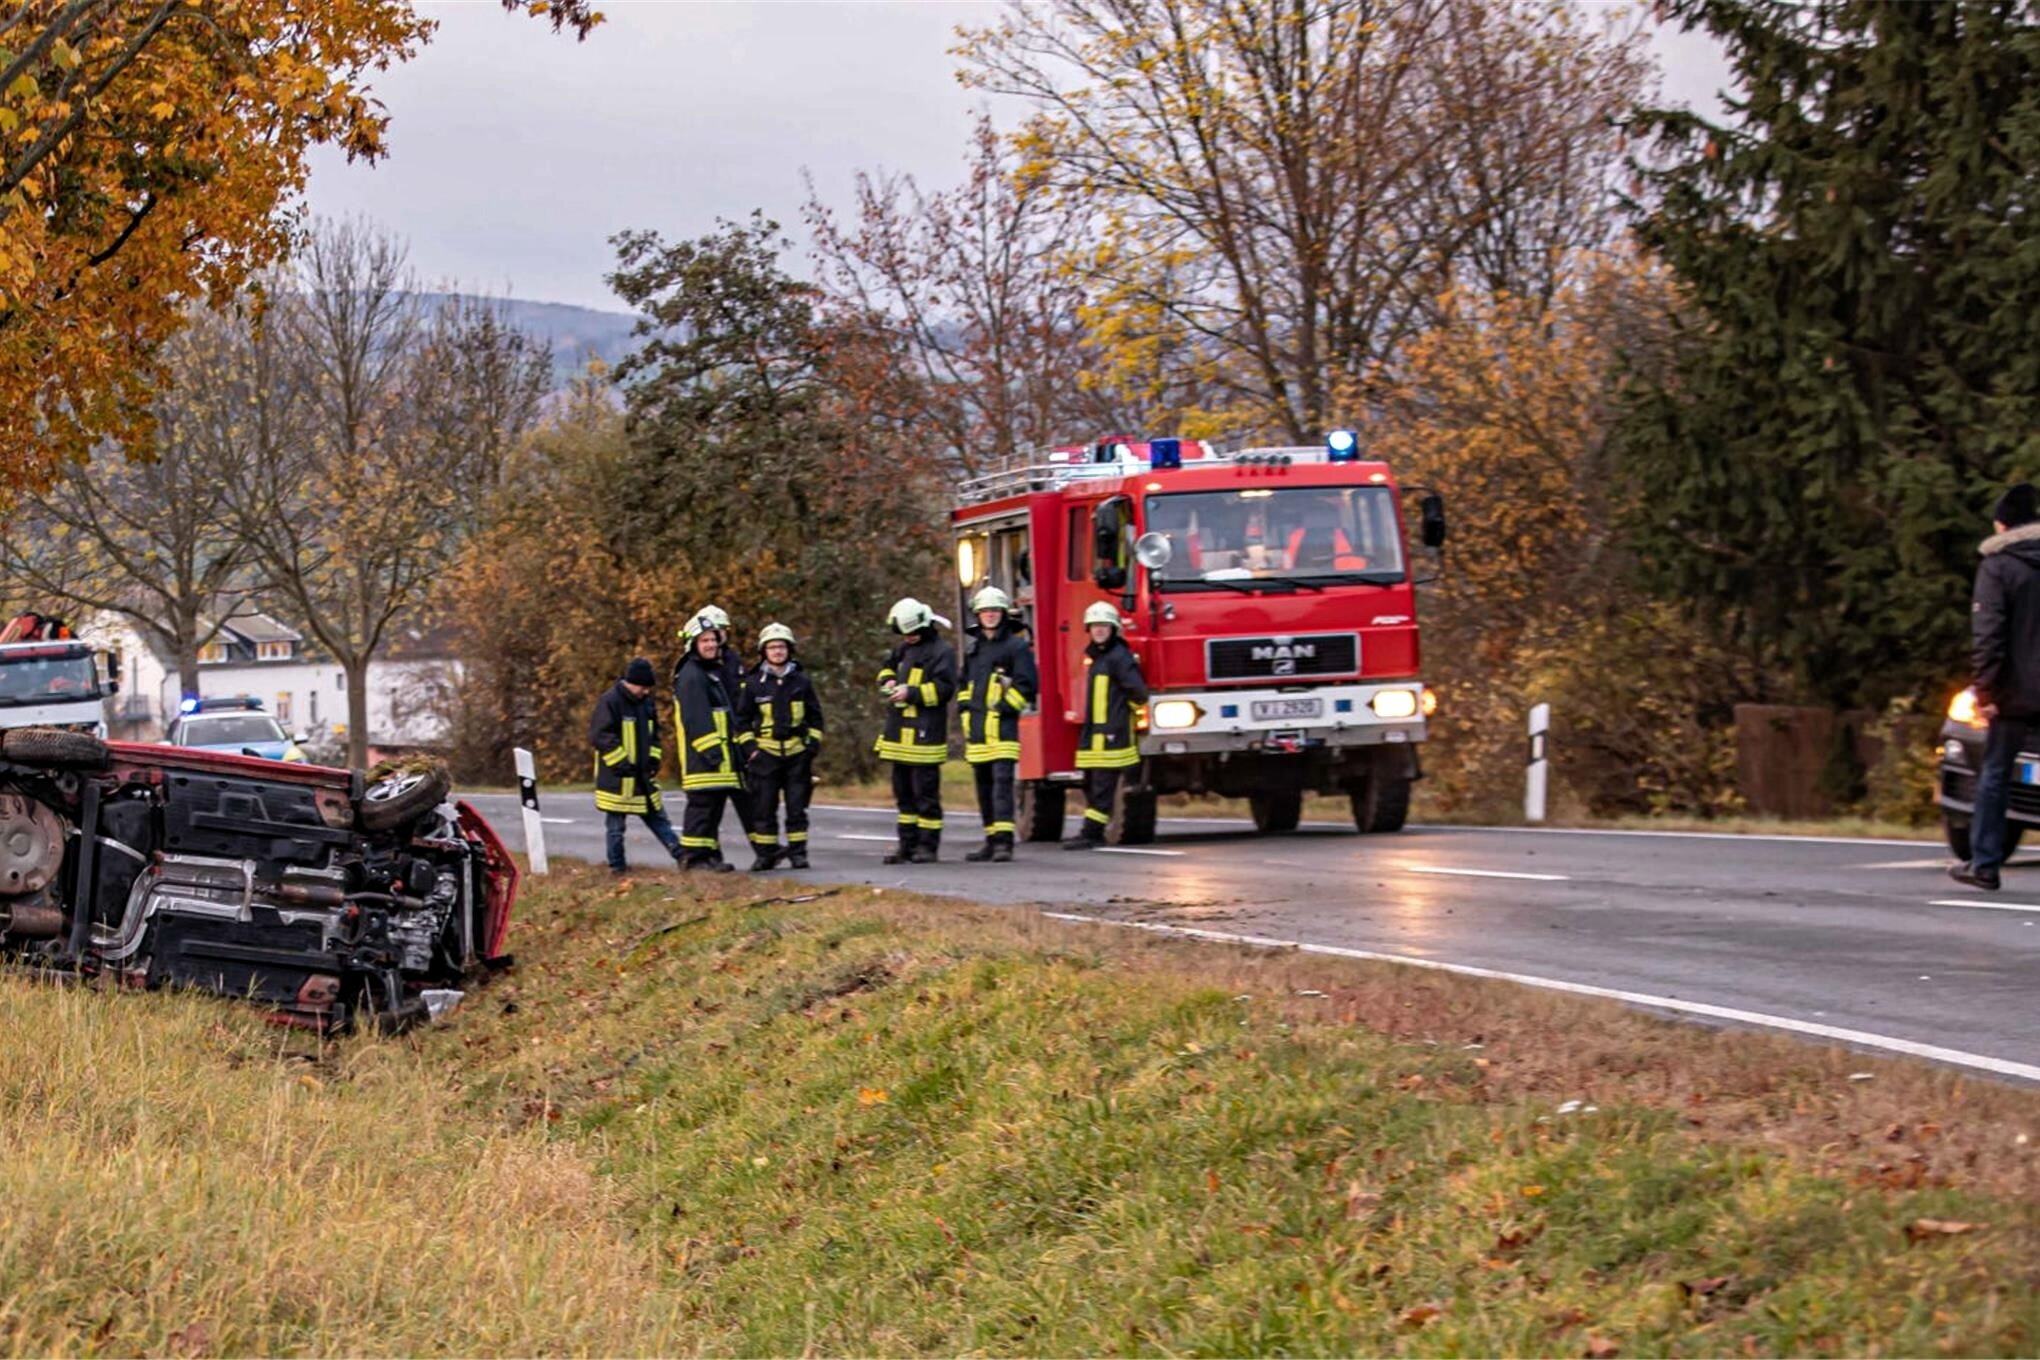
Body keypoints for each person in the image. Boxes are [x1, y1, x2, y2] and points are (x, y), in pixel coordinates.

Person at [1952, 482, 2040, 891]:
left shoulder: (1999, 565)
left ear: (2002, 524)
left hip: (2015, 693)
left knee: (1996, 773)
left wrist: (1985, 693)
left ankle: (1984, 864)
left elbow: (1989, 635)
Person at [956, 585, 1038, 862]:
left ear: (1003, 614)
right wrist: (965, 709)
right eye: (984, 611)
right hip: (978, 733)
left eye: (994, 611)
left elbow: (1028, 684)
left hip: (1002, 731)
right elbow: (964, 685)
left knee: (1002, 786)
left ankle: (1004, 843)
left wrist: (1004, 708)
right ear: (977, 615)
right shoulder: (974, 650)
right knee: (984, 788)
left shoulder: (1016, 647)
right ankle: (990, 839)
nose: (990, 616)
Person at [735, 622, 825, 872]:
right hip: (766, 756)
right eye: (772, 647)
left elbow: (816, 718)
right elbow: (741, 721)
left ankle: (798, 854)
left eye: (782, 647)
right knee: (764, 809)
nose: (777, 651)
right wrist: (752, 750)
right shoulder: (753, 684)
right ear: (764, 651)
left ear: (789, 650)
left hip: (797, 756)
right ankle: (766, 855)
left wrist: (811, 746)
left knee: (797, 809)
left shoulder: (802, 682)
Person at [875, 597, 955, 864]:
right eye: (903, 634)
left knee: (926, 797)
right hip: (900, 737)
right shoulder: (904, 649)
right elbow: (887, 666)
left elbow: (944, 690)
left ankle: (928, 846)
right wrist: (887, 680)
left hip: (925, 738)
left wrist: (911, 692)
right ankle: (906, 846)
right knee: (904, 798)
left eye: (911, 633)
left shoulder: (941, 652)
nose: (907, 638)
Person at [1064, 601, 1149, 850]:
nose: (1100, 630)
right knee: (1090, 782)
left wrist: (1123, 718)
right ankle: (1092, 830)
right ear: (1088, 629)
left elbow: (1138, 692)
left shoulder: (1118, 657)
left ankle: (1092, 833)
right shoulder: (1098, 657)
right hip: (1096, 734)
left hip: (1112, 735)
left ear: (1114, 628)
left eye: (1104, 626)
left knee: (1102, 786)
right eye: (1095, 626)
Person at [588, 657, 685, 875]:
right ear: (630, 682)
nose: (645, 691)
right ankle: (617, 867)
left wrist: (654, 758)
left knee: (659, 819)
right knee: (615, 828)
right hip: (617, 779)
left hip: (642, 777)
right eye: (642, 687)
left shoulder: (646, 703)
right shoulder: (610, 701)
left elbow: (654, 736)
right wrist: (620, 762)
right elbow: (600, 735)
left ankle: (681, 855)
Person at [671, 615, 740, 872]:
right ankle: (693, 858)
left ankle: (710, 856)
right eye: (705, 640)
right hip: (703, 759)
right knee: (701, 810)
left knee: (713, 811)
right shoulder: (691, 675)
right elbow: (696, 718)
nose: (711, 645)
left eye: (713, 639)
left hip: (718, 759)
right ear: (692, 644)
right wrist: (712, 751)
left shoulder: (708, 672)